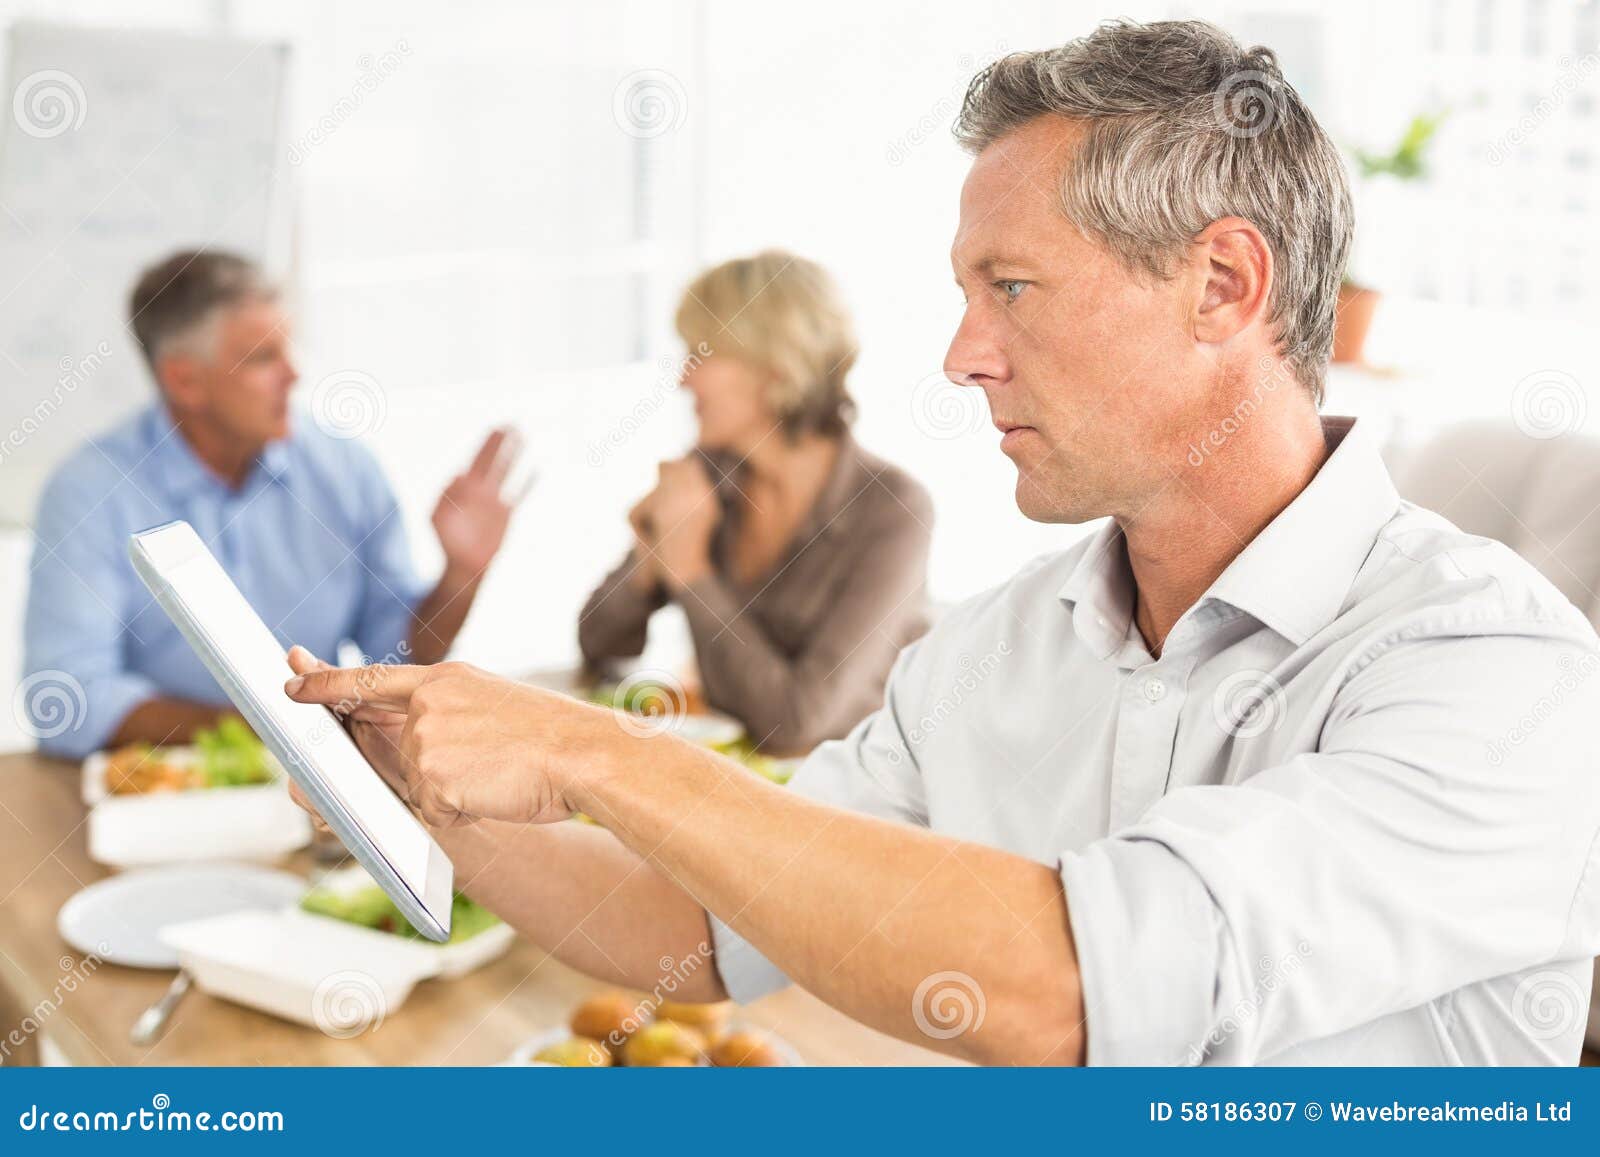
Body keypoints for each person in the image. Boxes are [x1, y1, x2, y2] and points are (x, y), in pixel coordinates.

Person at [285, 21, 1600, 1065]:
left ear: (1225, 286)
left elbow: (1072, 991)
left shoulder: (1495, 669)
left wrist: (589, 748)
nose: (965, 357)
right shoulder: (997, 646)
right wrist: (414, 789)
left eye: (1013, 288)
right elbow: (696, 928)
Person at [23, 250, 521, 759]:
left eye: (289, 350)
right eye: (264, 358)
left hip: (322, 783)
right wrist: (276, 725)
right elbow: (71, 702)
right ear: (185, 381)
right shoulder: (88, 492)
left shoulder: (344, 468)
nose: (294, 375)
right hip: (167, 796)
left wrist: (461, 575)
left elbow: (397, 657)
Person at [578, 251, 931, 753]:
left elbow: (796, 725)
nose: (683, 380)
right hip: (727, 783)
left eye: (702, 353)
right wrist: (647, 558)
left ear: (774, 366)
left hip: (853, 803)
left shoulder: (893, 510)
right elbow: (597, 648)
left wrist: (689, 570)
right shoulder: (708, 475)